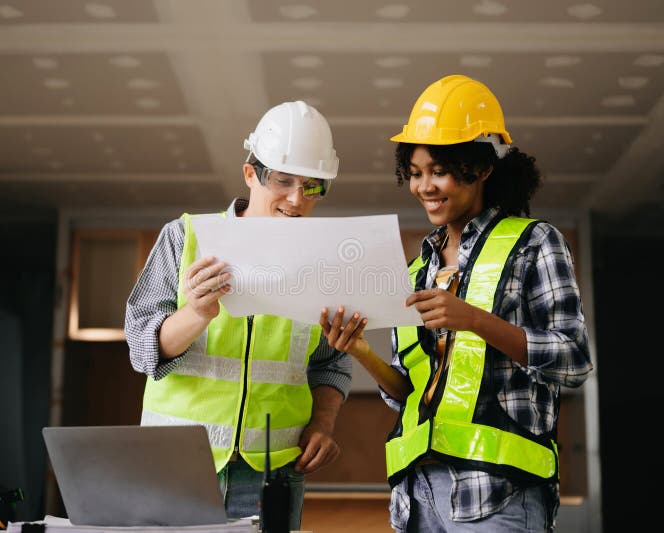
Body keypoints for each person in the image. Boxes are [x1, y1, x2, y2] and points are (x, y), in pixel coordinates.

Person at [320, 74, 593, 532]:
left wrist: (475, 321)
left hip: (498, 494)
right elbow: (409, 394)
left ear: (481, 167)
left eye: (439, 171)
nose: (424, 186)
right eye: (415, 173)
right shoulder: (413, 271)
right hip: (417, 498)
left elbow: (574, 360)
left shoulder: (533, 243)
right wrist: (360, 351)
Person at [124, 100, 351, 530]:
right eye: (283, 181)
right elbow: (141, 348)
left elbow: (331, 362)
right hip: (176, 464)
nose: (296, 199)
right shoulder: (185, 237)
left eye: (313, 186)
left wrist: (323, 423)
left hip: (273, 470)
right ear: (252, 174)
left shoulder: (322, 264)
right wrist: (196, 313)